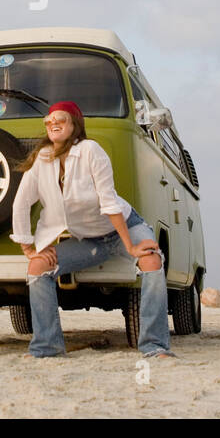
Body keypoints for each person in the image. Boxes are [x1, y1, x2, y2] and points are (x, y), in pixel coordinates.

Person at [11, 101, 173, 358]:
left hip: (125, 227)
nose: (53, 123)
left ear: (75, 125)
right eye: (49, 120)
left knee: (152, 261)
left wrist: (131, 247)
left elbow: (109, 203)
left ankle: (155, 346)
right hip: (89, 241)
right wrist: (29, 248)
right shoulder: (42, 159)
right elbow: (21, 203)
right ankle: (47, 347)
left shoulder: (90, 150)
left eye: (60, 119)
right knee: (37, 267)